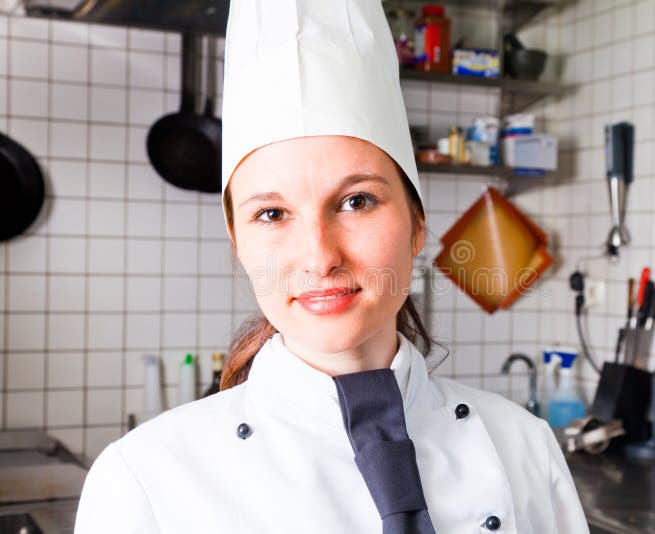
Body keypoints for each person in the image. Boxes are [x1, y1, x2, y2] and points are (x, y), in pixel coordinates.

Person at [75, 0, 589, 532]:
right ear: (238, 242)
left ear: (417, 224)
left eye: (356, 201)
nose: (320, 257)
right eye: (272, 213)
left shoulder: (525, 446)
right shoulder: (145, 482)